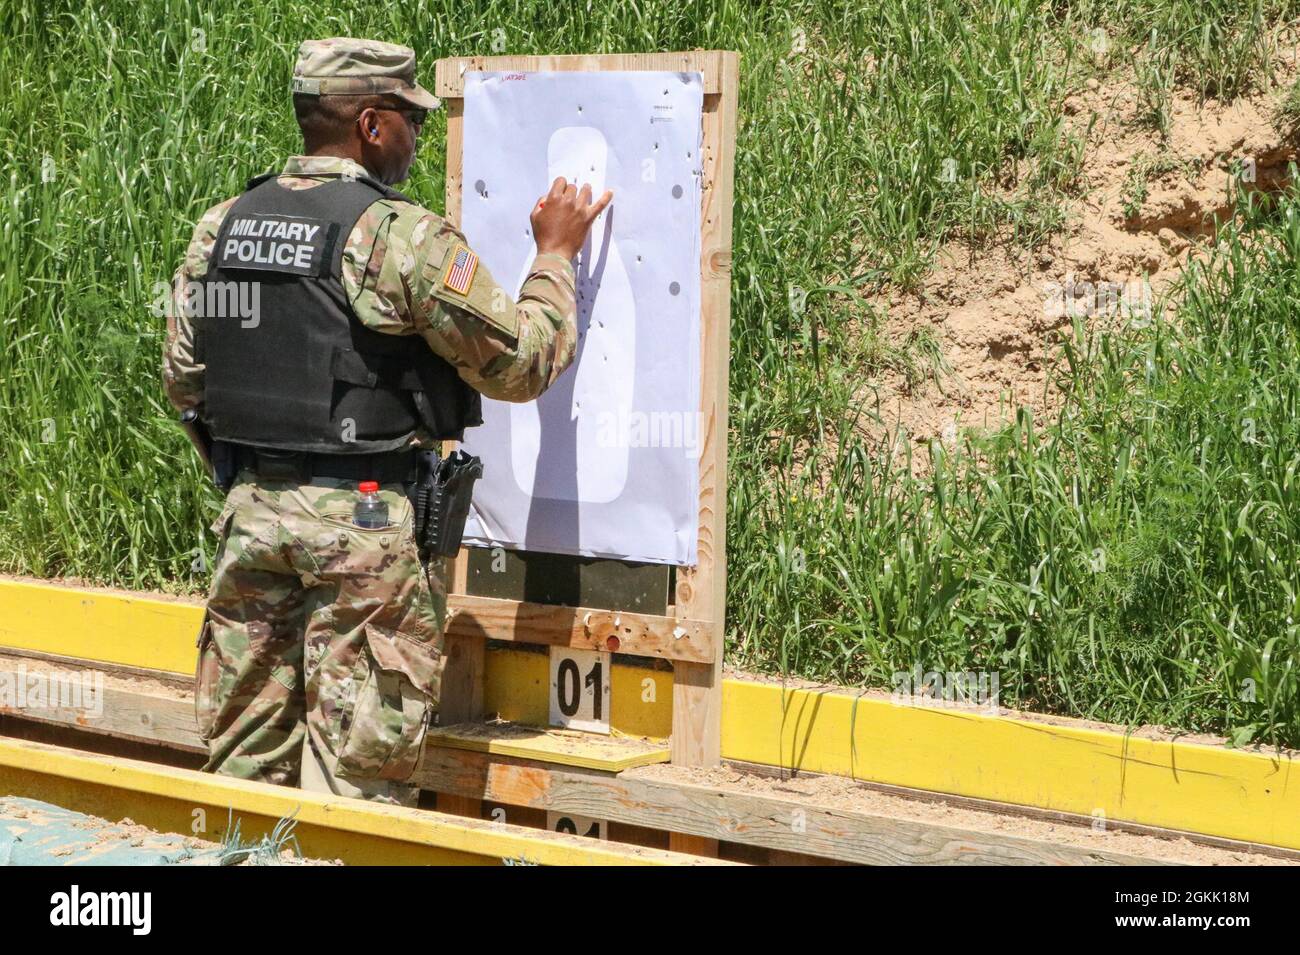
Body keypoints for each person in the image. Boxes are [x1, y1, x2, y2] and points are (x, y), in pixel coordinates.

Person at [161, 37, 612, 805]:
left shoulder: (223, 228)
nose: (416, 135)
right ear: (372, 125)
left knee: (242, 775)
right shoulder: (399, 237)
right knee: (356, 788)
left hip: (249, 523)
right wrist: (555, 255)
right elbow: (522, 362)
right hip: (366, 538)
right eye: (409, 119)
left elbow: (183, 380)